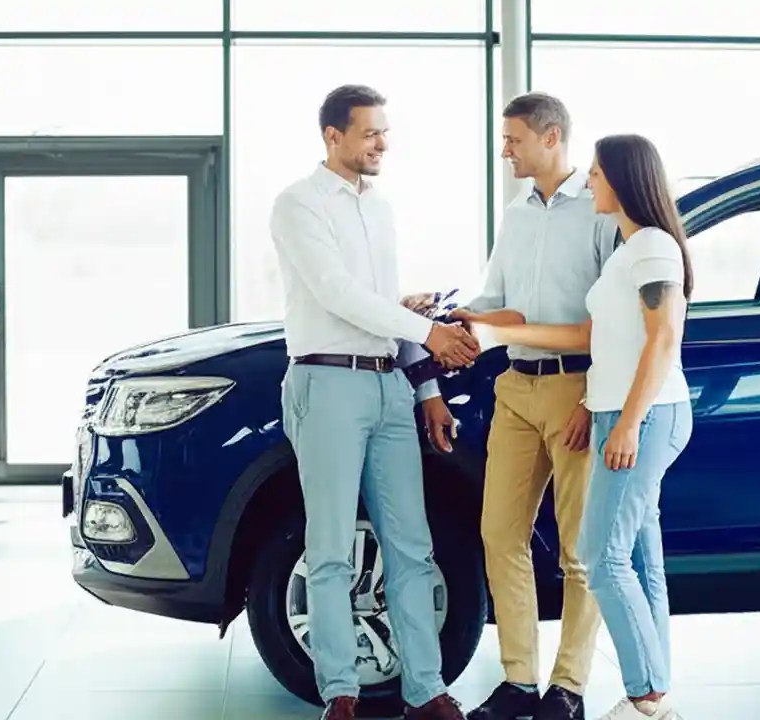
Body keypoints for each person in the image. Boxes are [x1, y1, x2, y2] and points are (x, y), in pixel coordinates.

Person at [454, 133, 695, 720]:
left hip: (642, 414)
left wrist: (626, 423)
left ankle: (646, 699)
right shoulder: (628, 252)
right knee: (640, 560)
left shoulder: (654, 248)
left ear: (622, 178)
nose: (589, 182)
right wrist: (492, 327)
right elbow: (588, 337)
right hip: (614, 406)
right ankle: (650, 692)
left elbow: (664, 340)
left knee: (599, 554)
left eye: (597, 173)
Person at [269, 83, 480, 720]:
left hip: (389, 384)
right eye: (369, 133)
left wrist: (427, 386)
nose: (382, 143)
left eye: (385, 131)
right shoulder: (298, 205)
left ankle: (427, 690)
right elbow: (336, 292)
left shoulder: (379, 208)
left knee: (411, 546)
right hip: (326, 384)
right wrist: (431, 333)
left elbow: (384, 305)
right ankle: (340, 694)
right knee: (329, 547)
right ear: (333, 137)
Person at [418, 92, 617, 720]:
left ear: (550, 137)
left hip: (577, 388)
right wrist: (465, 318)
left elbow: (615, 321)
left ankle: (570, 688)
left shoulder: (601, 210)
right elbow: (505, 305)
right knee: (499, 533)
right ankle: (519, 682)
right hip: (517, 387)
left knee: (578, 548)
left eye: (513, 140)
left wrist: (594, 396)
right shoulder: (517, 213)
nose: (504, 149)